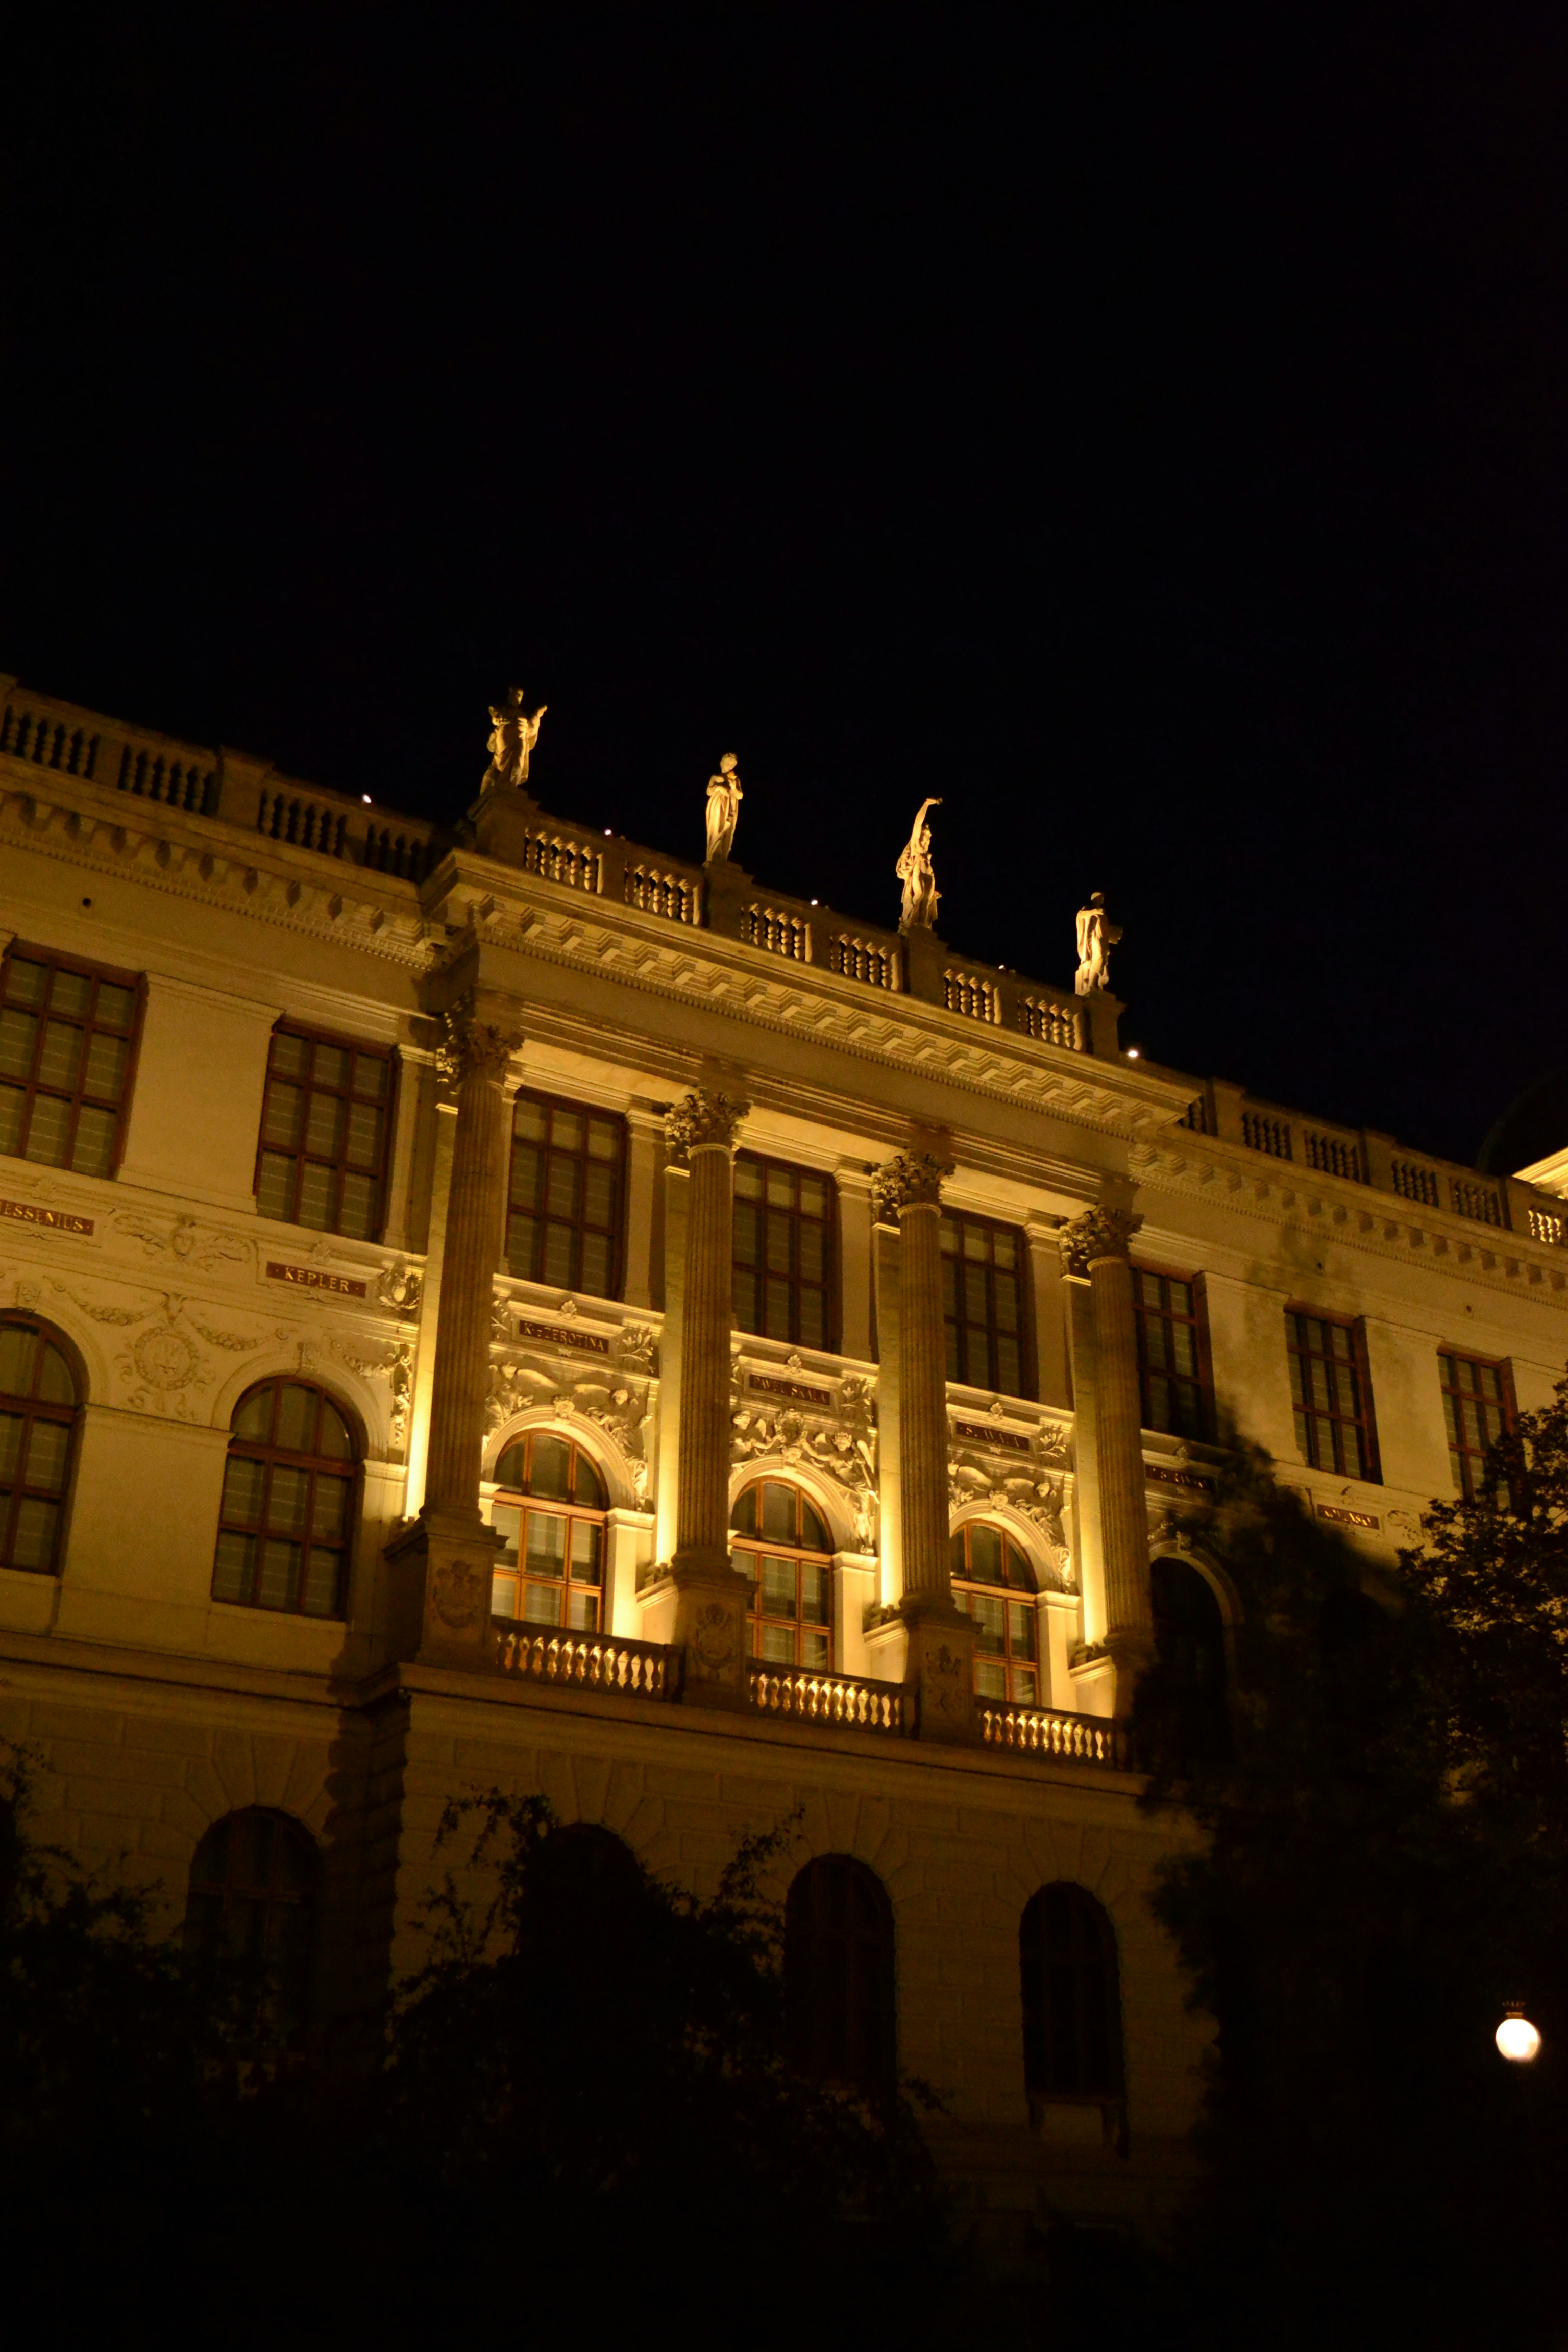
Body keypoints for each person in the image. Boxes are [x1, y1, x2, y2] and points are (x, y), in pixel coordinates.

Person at [896, 797, 942, 932]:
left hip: (930, 876)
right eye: (924, 835)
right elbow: (918, 822)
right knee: (919, 895)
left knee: (926, 903)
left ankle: (923, 928)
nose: (926, 839)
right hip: (919, 873)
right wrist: (926, 805)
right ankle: (909, 922)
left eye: (928, 837)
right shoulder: (915, 844)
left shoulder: (926, 850)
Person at [1074, 891, 1122, 994]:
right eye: (1100, 898)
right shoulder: (1089, 909)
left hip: (1102, 940)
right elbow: (1081, 915)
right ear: (1094, 899)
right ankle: (1092, 982)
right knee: (1099, 957)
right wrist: (1095, 911)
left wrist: (1115, 933)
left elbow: (1104, 930)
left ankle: (1095, 983)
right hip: (1093, 940)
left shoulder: (1103, 914)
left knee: (1102, 959)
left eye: (1103, 899)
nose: (1102, 900)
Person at [705, 754, 743, 863]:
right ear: (722, 763)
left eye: (732, 764)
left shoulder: (736, 780)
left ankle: (723, 855)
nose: (730, 766)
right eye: (728, 763)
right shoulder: (716, 777)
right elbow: (709, 791)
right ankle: (714, 853)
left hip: (731, 806)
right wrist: (719, 788)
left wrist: (734, 788)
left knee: (729, 828)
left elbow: (740, 796)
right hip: (718, 803)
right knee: (717, 826)